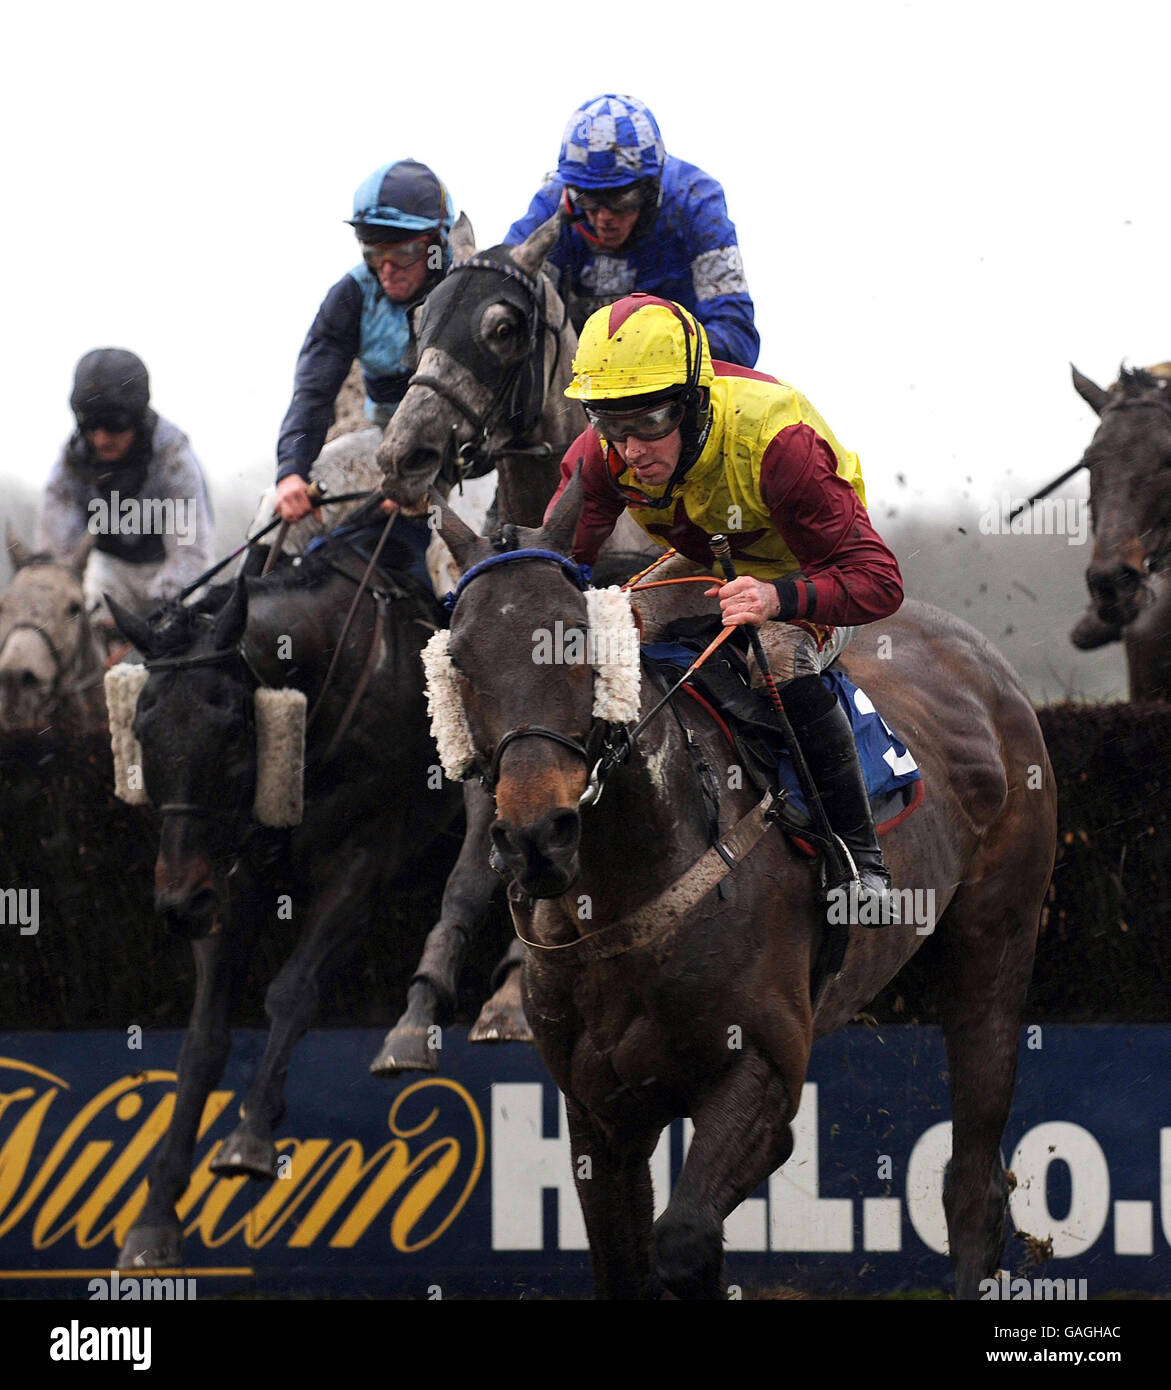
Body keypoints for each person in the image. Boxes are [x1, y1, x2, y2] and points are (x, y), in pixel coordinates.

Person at [547, 292, 904, 919]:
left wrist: (776, 596)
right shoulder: (602, 454)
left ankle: (858, 856)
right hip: (714, 555)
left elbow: (878, 581)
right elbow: (556, 565)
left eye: (650, 422)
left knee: (779, 655)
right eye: (610, 423)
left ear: (694, 401)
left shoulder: (781, 445)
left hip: (808, 561)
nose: (630, 451)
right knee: (608, 630)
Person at [505, 94, 759, 369]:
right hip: (577, 376)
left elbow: (736, 335)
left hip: (672, 381)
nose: (604, 218)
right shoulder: (551, 204)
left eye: (621, 200)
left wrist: (652, 358)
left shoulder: (695, 201)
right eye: (587, 199)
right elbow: (504, 299)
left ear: (651, 191)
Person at [274, 158, 456, 525]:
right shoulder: (351, 294)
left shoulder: (467, 293)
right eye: (374, 253)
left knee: (446, 558)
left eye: (402, 253)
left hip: (465, 458)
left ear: (437, 242)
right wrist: (291, 470)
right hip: (384, 442)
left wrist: (424, 476)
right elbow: (314, 390)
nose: (386, 268)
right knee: (273, 510)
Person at [36, 348, 215, 638]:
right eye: (90, 426)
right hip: (108, 570)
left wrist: (153, 611)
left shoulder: (172, 456)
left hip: (170, 569)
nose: (101, 439)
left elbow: (189, 553)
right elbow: (57, 557)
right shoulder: (72, 460)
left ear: (137, 417)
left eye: (114, 425)